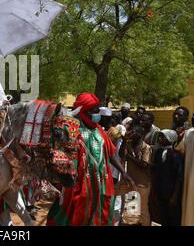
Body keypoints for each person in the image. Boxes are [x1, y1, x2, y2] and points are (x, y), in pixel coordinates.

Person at [47, 93, 134, 226]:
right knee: (75, 214)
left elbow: (111, 153)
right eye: (95, 110)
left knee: (100, 214)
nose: (98, 113)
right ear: (84, 111)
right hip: (79, 183)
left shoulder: (99, 130)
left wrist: (123, 172)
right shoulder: (73, 129)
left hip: (101, 183)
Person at [149, 129, 183, 226]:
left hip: (170, 191)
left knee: (172, 216)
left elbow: (179, 177)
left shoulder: (175, 155)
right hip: (160, 190)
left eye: (162, 137)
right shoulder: (159, 152)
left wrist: (174, 196)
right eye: (159, 136)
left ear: (170, 138)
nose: (160, 139)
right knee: (161, 215)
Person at [122, 125, 152, 226]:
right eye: (132, 132)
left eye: (135, 132)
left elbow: (144, 164)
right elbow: (121, 154)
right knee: (131, 210)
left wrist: (129, 156)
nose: (132, 134)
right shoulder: (128, 144)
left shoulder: (146, 147)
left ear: (140, 135)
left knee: (143, 209)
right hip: (131, 181)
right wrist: (124, 140)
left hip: (142, 183)